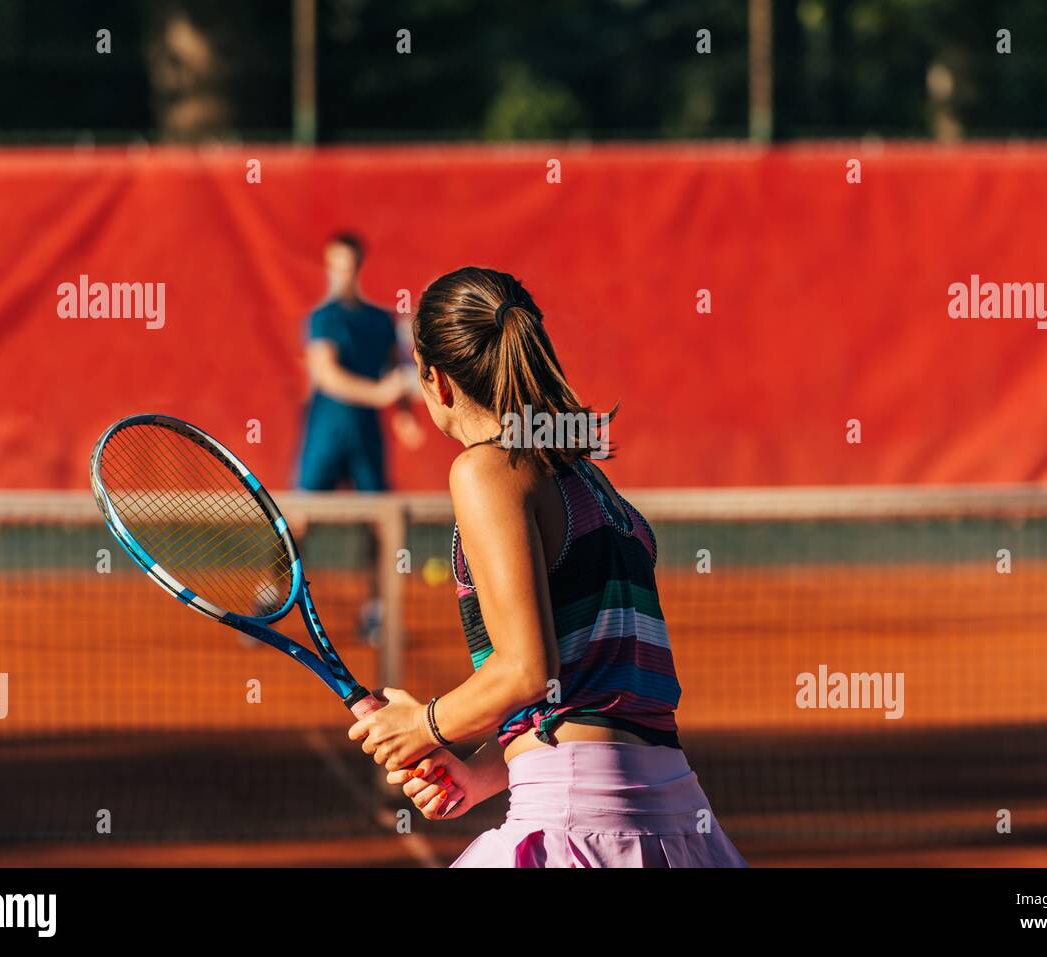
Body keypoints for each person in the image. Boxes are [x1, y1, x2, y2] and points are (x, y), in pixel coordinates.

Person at [349, 267, 746, 868]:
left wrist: (425, 724)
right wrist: (484, 773)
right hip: (678, 827)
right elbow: (598, 698)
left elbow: (528, 670)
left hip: (572, 825)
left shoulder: (484, 471)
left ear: (436, 379)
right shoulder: (592, 484)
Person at [297, 232, 423, 492]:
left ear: (358, 268)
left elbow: (394, 369)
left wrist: (404, 414)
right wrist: (378, 394)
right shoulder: (322, 318)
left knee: (379, 510)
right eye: (336, 268)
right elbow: (327, 376)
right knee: (304, 509)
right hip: (326, 428)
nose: (342, 275)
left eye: (349, 268)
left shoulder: (380, 320)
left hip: (367, 431)